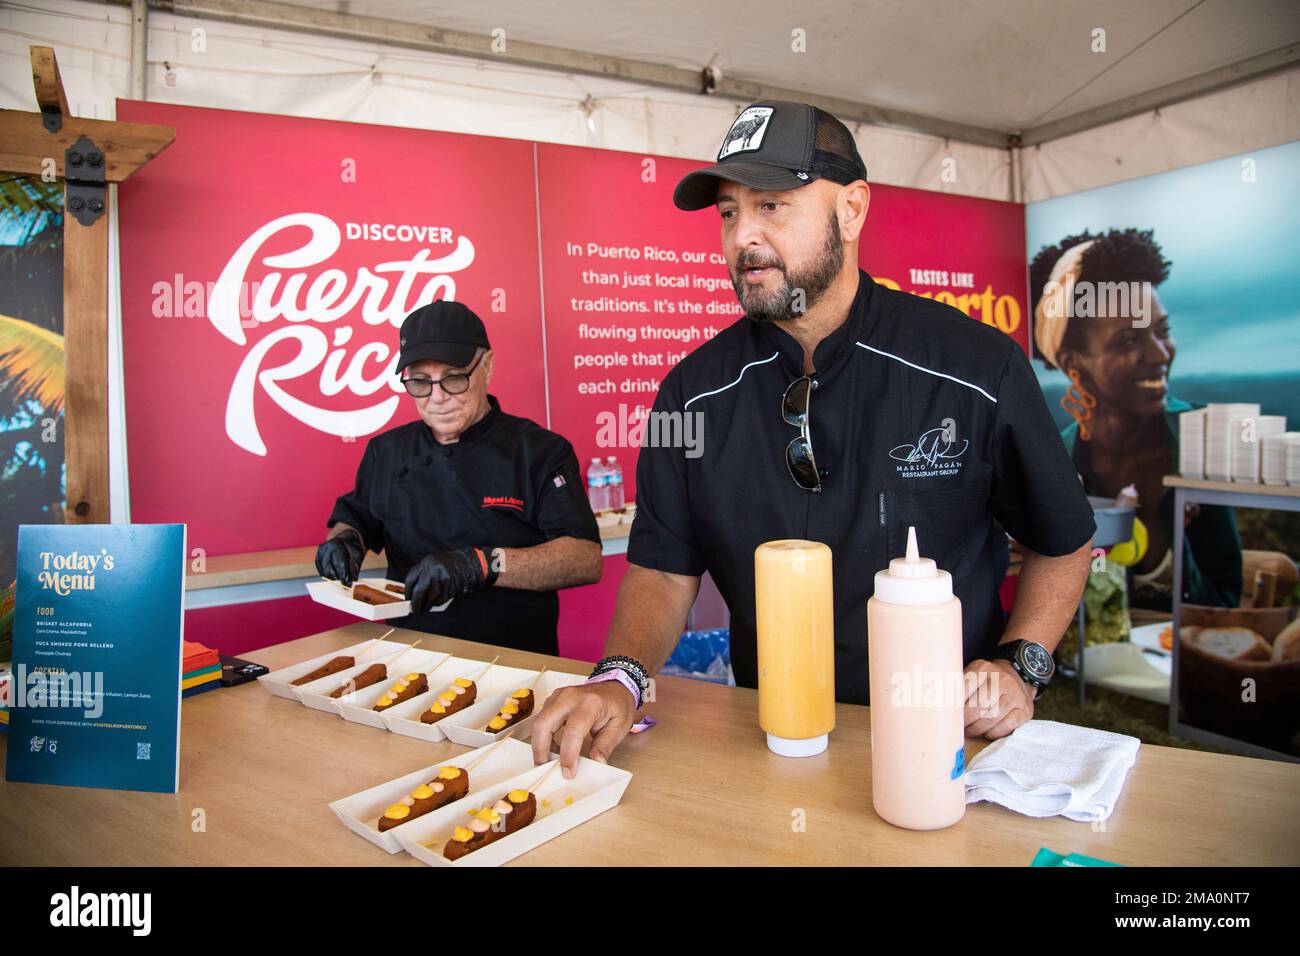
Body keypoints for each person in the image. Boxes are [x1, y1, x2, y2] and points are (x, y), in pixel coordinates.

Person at [533, 101, 1096, 776]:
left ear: (852, 210)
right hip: (771, 740)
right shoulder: (693, 394)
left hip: (945, 741)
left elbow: (1063, 540)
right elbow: (661, 567)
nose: (744, 236)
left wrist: (1020, 665)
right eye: (729, 212)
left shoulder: (973, 367)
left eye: (772, 205)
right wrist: (619, 677)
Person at [315, 301, 602, 654]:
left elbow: (584, 558)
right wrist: (345, 541)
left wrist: (480, 564)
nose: (437, 398)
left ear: (487, 366)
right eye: (420, 382)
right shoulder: (386, 452)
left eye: (453, 378)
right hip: (409, 655)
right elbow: (354, 520)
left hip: (518, 661)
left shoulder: (540, 451)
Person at [1030, 228, 1241, 609]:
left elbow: (1222, 603)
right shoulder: (1058, 461)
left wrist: (1152, 527)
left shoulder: (1196, 439)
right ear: (1072, 363)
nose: (1160, 354)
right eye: (1128, 341)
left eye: (1163, 331)